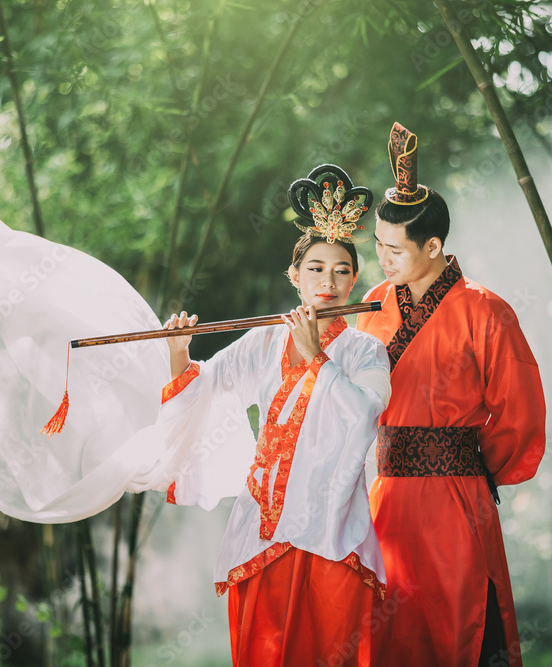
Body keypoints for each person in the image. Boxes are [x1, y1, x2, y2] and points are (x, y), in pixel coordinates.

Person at [159, 164, 390, 665]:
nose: (328, 280)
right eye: (315, 268)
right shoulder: (264, 340)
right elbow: (208, 385)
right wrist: (180, 354)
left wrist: (317, 359)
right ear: (294, 276)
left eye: (342, 270)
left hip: (333, 530)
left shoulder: (366, 351)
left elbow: (364, 417)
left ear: (354, 279)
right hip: (262, 528)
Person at [355, 123, 546, 666]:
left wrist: (470, 467)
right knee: (390, 631)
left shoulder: (486, 311)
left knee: (464, 620)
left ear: (433, 245)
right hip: (388, 499)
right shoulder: (372, 304)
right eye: (378, 245)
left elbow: (520, 417)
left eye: (395, 248)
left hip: (457, 501)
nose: (383, 258)